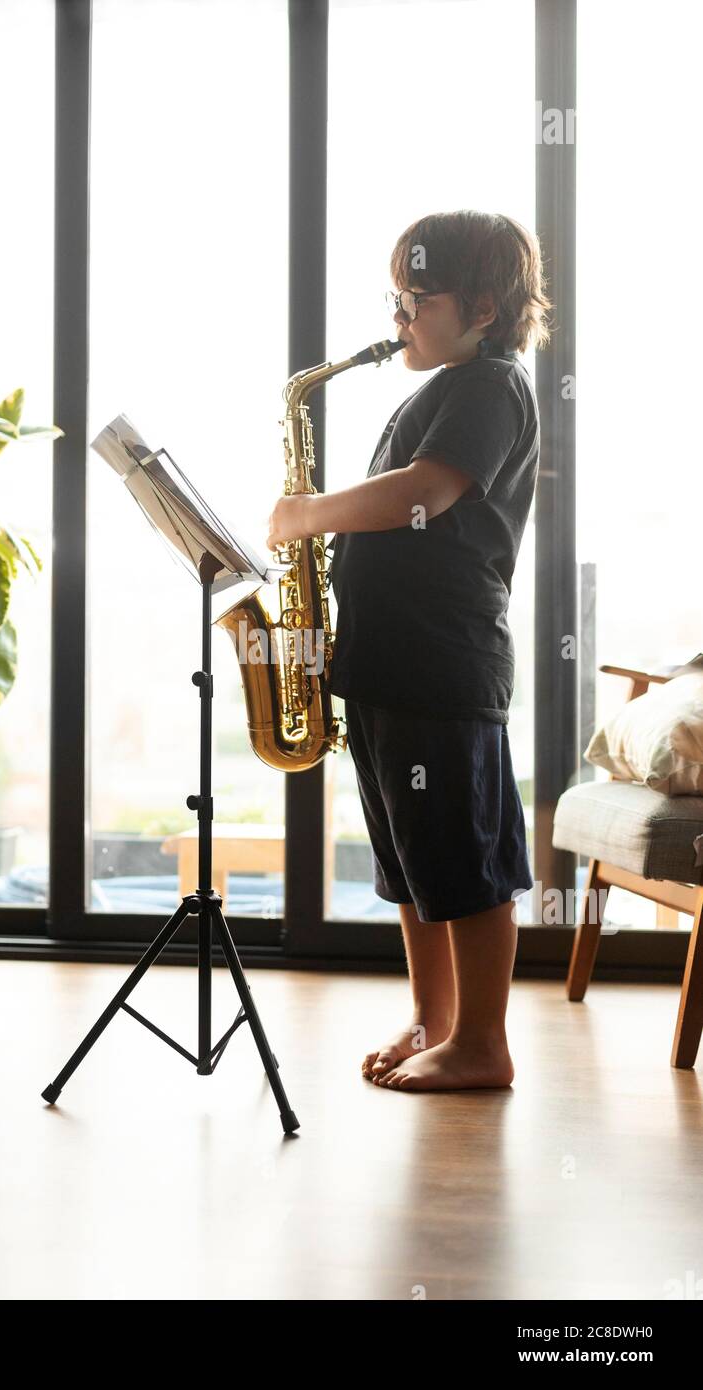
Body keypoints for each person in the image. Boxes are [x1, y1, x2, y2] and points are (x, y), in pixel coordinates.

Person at [266, 210, 552, 1092]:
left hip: (442, 663)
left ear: (482, 305)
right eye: (394, 297)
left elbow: (424, 493)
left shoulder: (492, 387)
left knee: (463, 865)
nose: (396, 319)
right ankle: (436, 1021)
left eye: (413, 299)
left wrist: (310, 515)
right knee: (412, 861)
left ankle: (483, 1044)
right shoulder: (438, 387)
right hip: (391, 663)